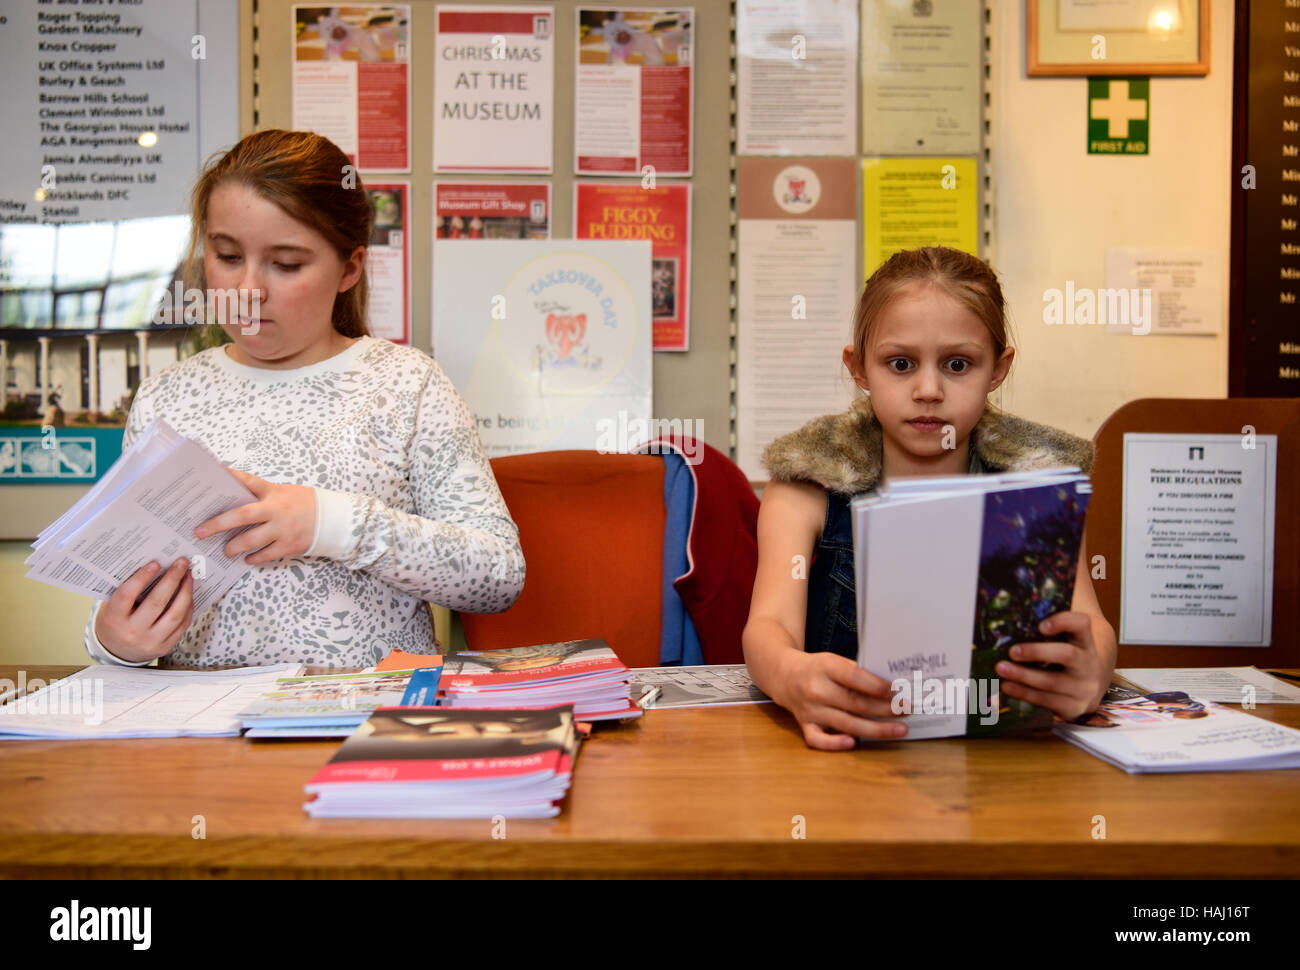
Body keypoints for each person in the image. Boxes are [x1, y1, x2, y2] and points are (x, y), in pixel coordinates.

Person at [85, 129, 525, 669]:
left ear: (349, 268)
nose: (248, 289)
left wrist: (331, 524)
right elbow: (128, 582)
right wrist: (114, 642)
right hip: (205, 737)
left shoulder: (408, 384)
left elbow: (498, 577)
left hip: (369, 725)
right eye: (226, 256)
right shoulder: (165, 400)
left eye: (286, 264)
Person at [743, 246, 1117, 751]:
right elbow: (768, 627)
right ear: (858, 368)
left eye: (957, 364)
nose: (928, 389)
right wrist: (792, 677)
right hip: (850, 758)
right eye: (900, 364)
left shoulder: (1037, 485)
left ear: (999, 369)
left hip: (999, 762)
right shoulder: (806, 485)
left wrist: (1092, 673)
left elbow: (1091, 621)